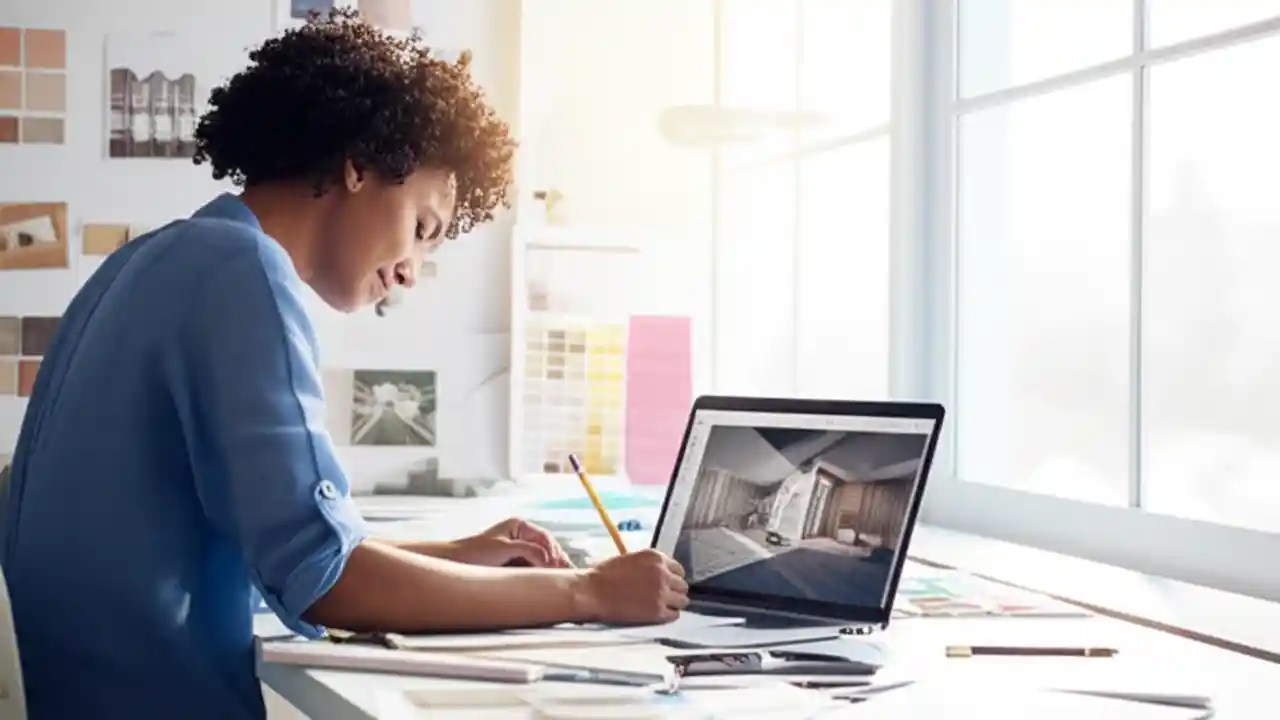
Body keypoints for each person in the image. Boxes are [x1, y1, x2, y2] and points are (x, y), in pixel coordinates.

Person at [0, 10, 687, 719]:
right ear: (359, 164)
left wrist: (457, 552)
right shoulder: (244, 274)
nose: (414, 270)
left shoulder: (151, 260)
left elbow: (283, 543)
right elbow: (327, 581)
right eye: (422, 229)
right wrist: (588, 594)